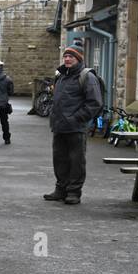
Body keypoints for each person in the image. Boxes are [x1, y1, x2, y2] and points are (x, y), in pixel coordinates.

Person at [44, 43, 103, 204]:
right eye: (66, 56)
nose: (68, 59)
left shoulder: (87, 77)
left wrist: (77, 118)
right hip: (59, 126)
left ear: (79, 59)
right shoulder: (62, 76)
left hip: (76, 128)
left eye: (71, 56)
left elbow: (94, 103)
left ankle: (74, 192)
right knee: (59, 159)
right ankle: (60, 189)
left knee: (76, 161)